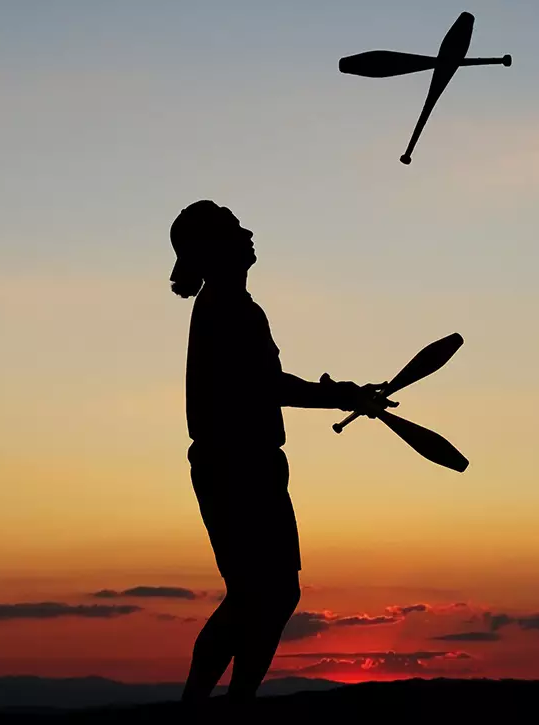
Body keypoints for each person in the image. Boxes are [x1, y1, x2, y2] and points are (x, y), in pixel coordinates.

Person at [168, 200, 389, 715]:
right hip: (235, 466)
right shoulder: (228, 308)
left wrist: (339, 393)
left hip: (247, 464)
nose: (247, 233)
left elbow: (265, 385)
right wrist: (341, 395)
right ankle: (207, 707)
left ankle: (221, 704)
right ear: (214, 249)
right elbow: (265, 385)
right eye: (233, 229)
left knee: (267, 594)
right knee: (259, 594)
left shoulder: (234, 306)